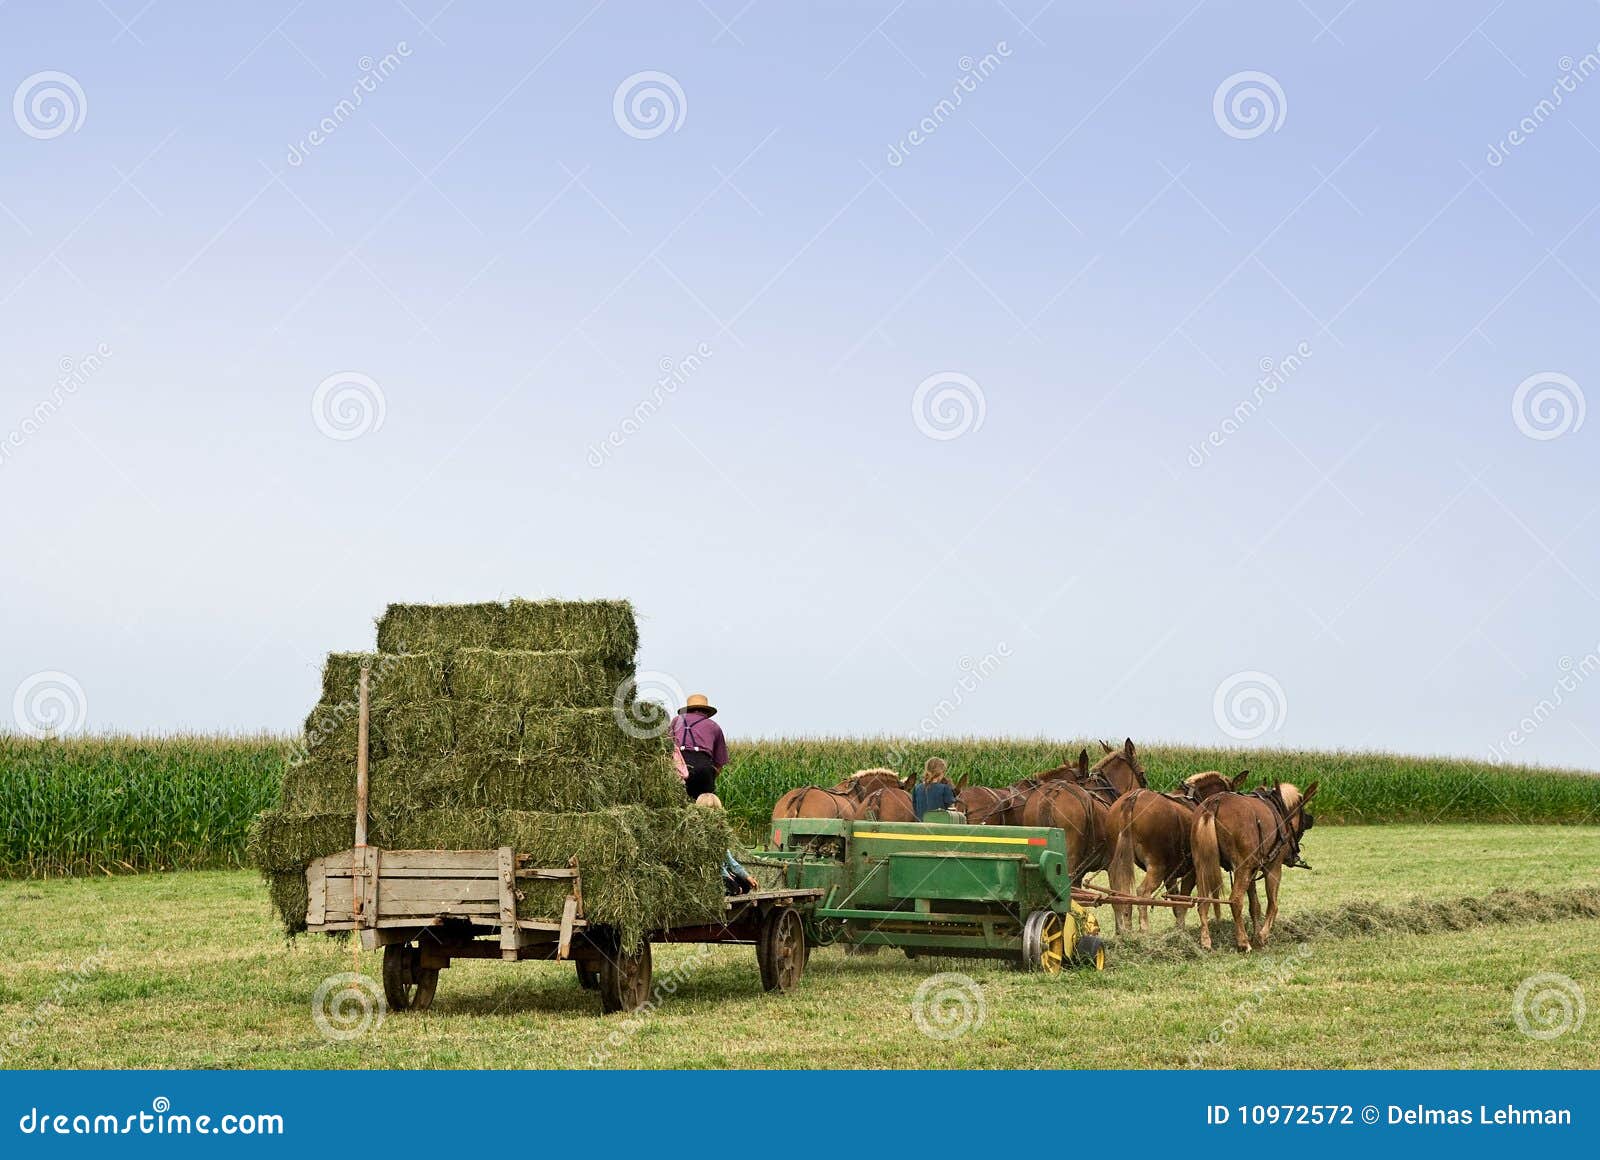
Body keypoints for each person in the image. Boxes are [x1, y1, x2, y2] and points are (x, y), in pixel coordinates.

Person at [695, 793, 758, 895]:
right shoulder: (699, 834)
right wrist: (728, 877)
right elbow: (714, 865)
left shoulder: (720, 834)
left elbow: (730, 861)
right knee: (735, 888)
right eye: (710, 811)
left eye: (715, 811)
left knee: (746, 885)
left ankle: (732, 886)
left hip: (721, 872)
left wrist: (746, 876)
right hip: (709, 875)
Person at [671, 693, 728, 800]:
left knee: (679, 804)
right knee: (706, 807)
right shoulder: (714, 726)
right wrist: (709, 777)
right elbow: (720, 763)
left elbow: (667, 748)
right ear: (706, 711)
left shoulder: (676, 721)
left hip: (681, 766)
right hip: (704, 767)